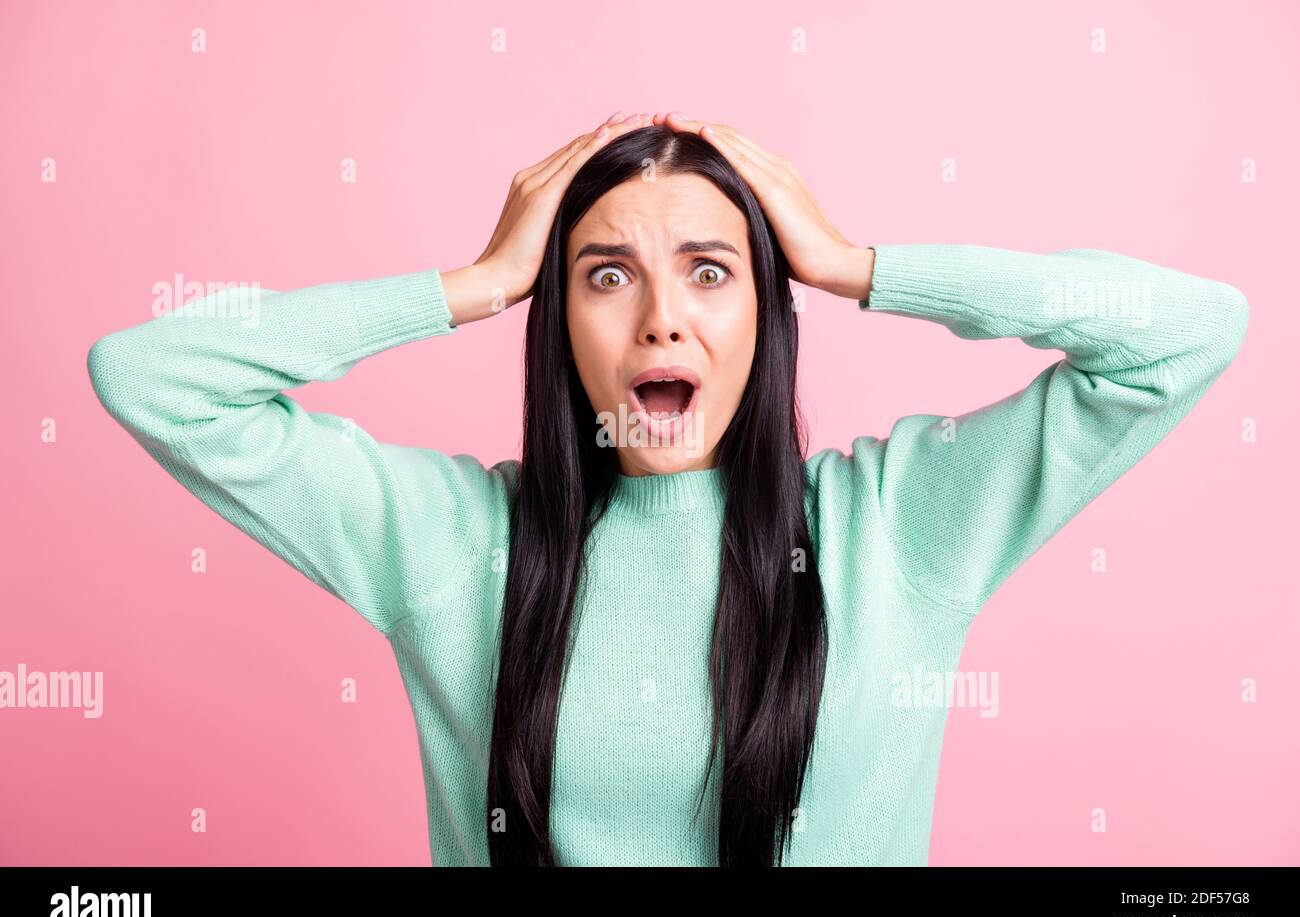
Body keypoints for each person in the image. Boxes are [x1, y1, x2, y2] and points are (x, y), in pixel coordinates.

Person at [86, 111, 1249, 866]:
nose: (661, 316)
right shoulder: (449, 545)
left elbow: (1187, 332)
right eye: (604, 275)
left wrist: (859, 267)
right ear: (561, 328)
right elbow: (149, 378)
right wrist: (474, 281)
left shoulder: (892, 526)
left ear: (765, 314)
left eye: (709, 270)